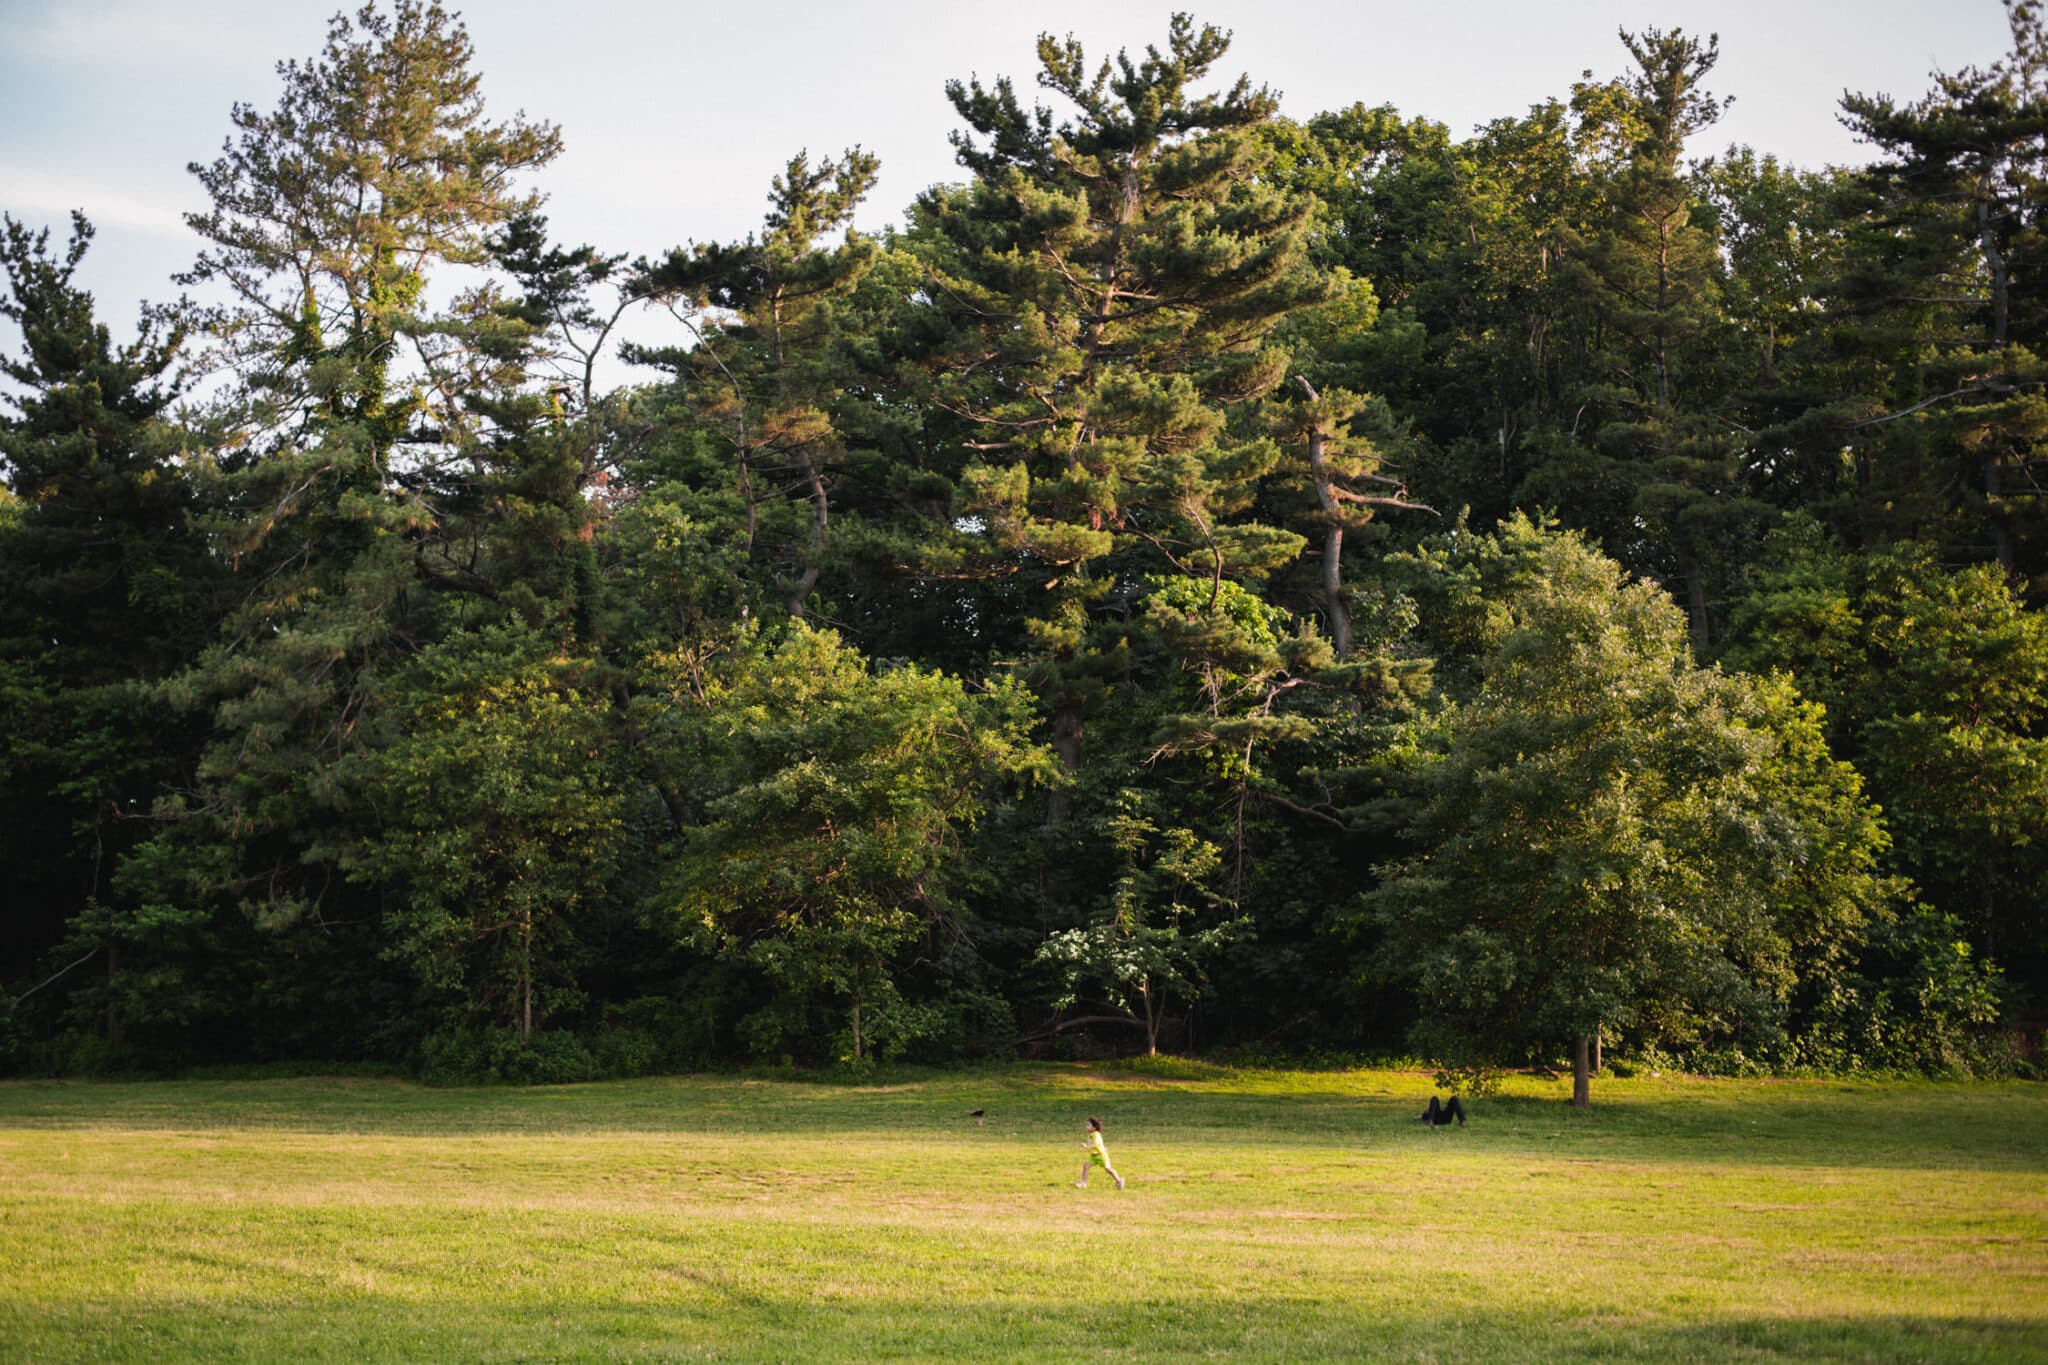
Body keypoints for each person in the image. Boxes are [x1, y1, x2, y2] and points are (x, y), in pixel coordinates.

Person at [1076, 1116, 1124, 1190]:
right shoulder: (1091, 1134)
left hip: (1101, 1155)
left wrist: (1087, 1146)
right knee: (1086, 1166)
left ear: (1094, 1127)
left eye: (1088, 1125)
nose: (1086, 1126)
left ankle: (1119, 1180)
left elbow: (1095, 1143)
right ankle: (1083, 1183)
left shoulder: (1096, 1134)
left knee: (1108, 1169)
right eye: (1086, 1124)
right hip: (1093, 1156)